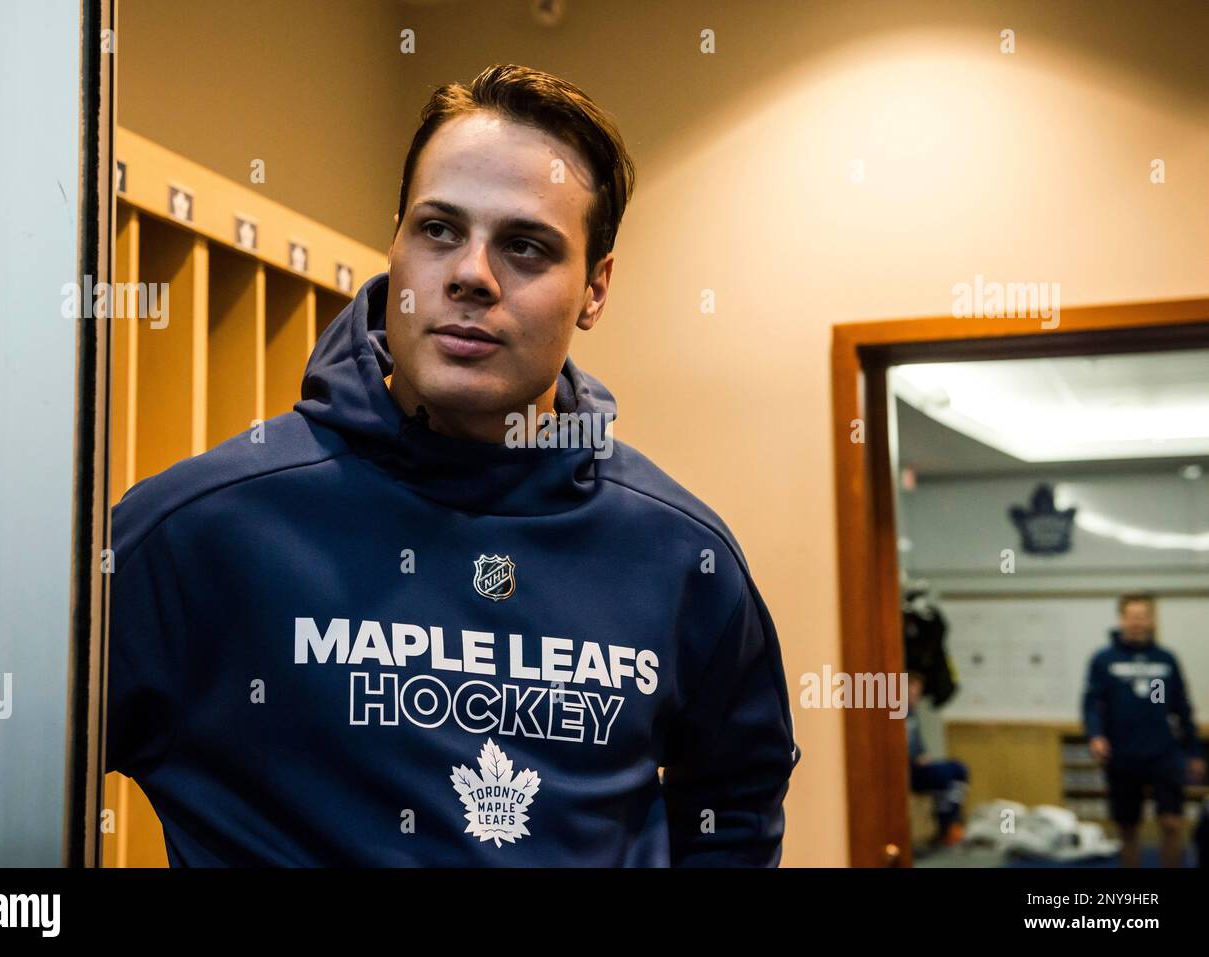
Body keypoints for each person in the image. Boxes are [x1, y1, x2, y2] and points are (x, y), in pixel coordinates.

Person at [104, 64, 801, 866]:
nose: (471, 273)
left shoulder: (683, 557)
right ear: (395, 244)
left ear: (596, 289)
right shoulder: (199, 533)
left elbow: (738, 798)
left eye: (527, 245)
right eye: (439, 230)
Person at [1083, 593, 1205, 867]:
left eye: (1143, 616)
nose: (1137, 622)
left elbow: (1179, 708)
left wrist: (1194, 752)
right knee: (1128, 829)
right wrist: (1096, 735)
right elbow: (1092, 704)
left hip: (1163, 753)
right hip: (1123, 755)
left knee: (1172, 823)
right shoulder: (1104, 660)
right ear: (1122, 619)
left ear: (1151, 620)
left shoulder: (1164, 660)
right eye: (1131, 616)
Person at [905, 671, 968, 847]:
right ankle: (944, 826)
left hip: (918, 764)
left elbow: (919, 746)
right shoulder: (892, 714)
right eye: (911, 693)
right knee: (942, 776)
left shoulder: (911, 714)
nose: (915, 698)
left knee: (958, 769)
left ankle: (949, 824)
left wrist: (922, 756)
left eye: (917, 694)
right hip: (905, 769)